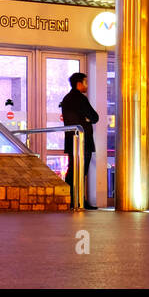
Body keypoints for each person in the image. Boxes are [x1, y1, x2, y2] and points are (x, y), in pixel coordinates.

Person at [58, 72, 100, 209]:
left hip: (71, 141)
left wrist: (86, 118)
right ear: (79, 83)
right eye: (86, 82)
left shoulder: (66, 99)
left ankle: (71, 200)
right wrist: (86, 119)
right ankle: (79, 200)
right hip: (83, 142)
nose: (87, 86)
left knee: (72, 171)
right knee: (81, 172)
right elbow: (94, 117)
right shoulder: (80, 99)